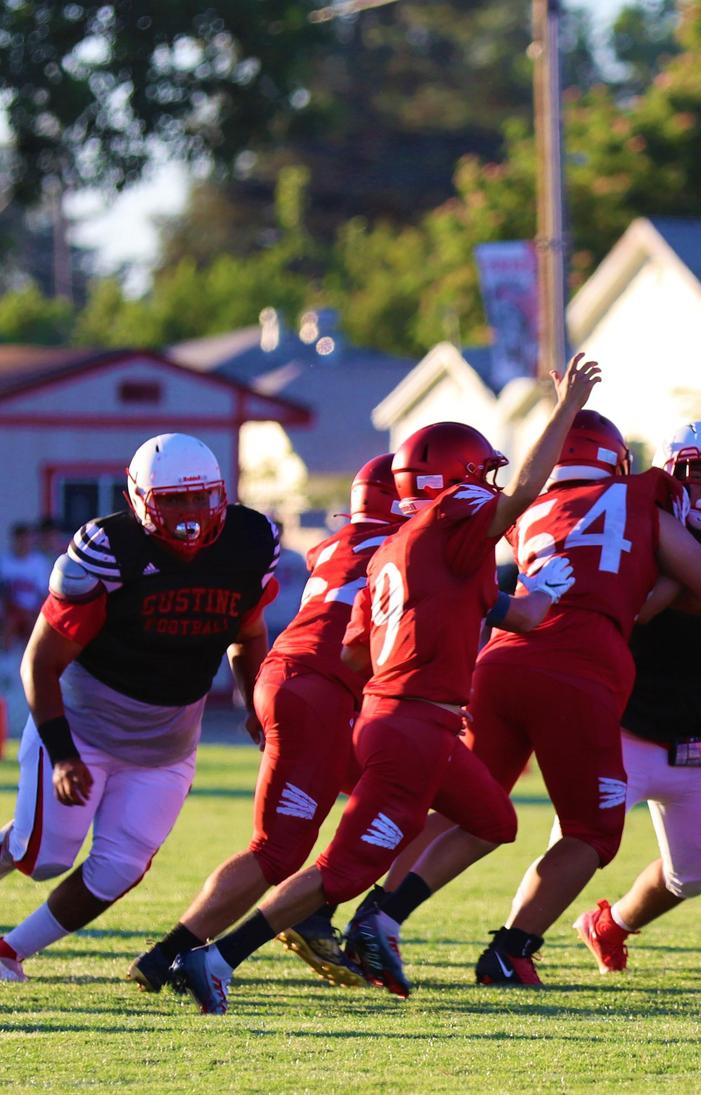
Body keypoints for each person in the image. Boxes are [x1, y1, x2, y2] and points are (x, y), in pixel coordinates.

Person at [174, 355, 603, 1014]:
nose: (489, 485)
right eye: (479, 473)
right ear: (454, 482)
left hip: (405, 717)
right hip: (413, 724)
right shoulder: (452, 523)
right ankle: (219, 955)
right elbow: (522, 491)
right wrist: (565, 409)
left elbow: (355, 653)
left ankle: (379, 919)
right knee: (339, 869)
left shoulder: (401, 549)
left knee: (493, 817)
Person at [343, 411, 701, 992]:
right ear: (615, 462)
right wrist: (667, 567)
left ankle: (375, 915)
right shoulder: (641, 501)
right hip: (576, 672)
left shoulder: (525, 515)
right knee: (593, 831)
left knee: (466, 811)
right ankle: (512, 949)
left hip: (501, 662)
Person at [0, 433, 279, 984]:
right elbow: (40, 663)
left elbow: (247, 635)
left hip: (166, 746)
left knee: (118, 870)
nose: (192, 515)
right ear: (140, 499)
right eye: (174, 500)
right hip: (83, 732)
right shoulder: (108, 550)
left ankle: (4, 953)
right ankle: (14, 844)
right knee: (46, 859)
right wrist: (60, 755)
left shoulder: (248, 541)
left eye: (202, 498)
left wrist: (255, 701)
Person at [126, 456, 401, 996]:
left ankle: (322, 911)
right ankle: (174, 953)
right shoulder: (413, 545)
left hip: (291, 679)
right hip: (320, 692)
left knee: (401, 799)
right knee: (282, 849)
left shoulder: (335, 544)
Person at [573, 430, 701, 974]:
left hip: (699, 733)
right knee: (577, 848)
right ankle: (514, 945)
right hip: (625, 727)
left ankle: (610, 924)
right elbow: (636, 610)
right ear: (670, 474)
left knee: (697, 873)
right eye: (697, 474)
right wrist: (700, 562)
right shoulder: (641, 526)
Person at [0, 521, 45, 646]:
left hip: (32, 612)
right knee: (8, 624)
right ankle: (5, 662)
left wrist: (33, 613)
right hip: (11, 611)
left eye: (26, 539)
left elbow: (44, 594)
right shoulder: (4, 562)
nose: (24, 543)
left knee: (35, 628)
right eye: (20, 539)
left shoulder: (39, 563)